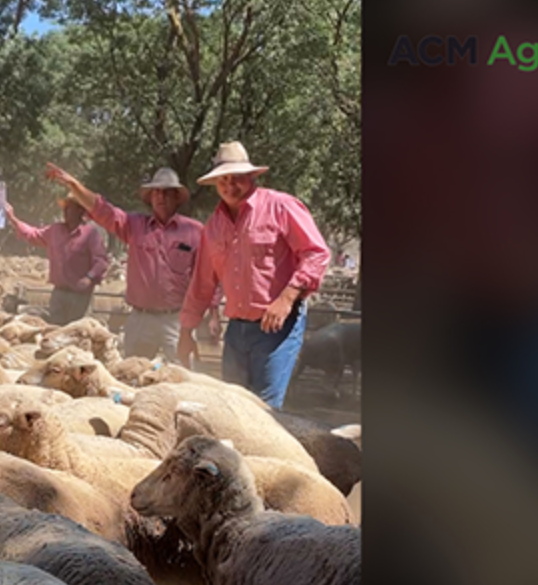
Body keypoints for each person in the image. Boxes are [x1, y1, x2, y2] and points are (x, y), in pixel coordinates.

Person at [177, 141, 331, 409]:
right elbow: (202, 282)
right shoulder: (213, 227)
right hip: (237, 328)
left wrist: (287, 297)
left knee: (265, 409)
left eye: (236, 178)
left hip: (278, 326)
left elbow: (316, 253)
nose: (229, 185)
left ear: (250, 177)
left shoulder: (281, 207)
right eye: (223, 180)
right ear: (215, 183)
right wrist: (186, 330)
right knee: (233, 405)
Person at [45, 163, 203, 361]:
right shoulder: (134, 226)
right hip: (140, 318)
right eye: (156, 193)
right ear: (150, 197)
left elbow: (204, 277)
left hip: (176, 320)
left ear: (177, 198)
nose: (161, 197)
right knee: (131, 376)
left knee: (184, 377)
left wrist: (203, 317)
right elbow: (104, 210)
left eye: (167, 193)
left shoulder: (195, 232)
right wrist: (75, 186)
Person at [4, 195, 108, 326]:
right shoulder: (55, 230)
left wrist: (89, 277)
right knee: (55, 330)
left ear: (80, 211)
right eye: (65, 208)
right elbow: (33, 234)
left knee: (77, 331)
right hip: (59, 293)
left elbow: (101, 261)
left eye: (70, 208)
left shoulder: (90, 234)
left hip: (80, 296)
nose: (65, 212)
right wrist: (13, 219)